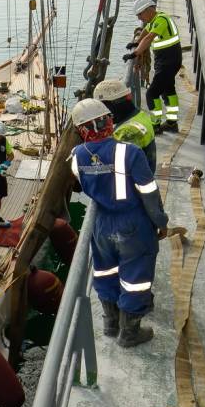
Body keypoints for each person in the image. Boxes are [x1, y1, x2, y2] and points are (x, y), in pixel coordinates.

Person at [69, 97, 167, 348]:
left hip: (101, 224)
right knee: (135, 276)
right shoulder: (130, 152)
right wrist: (160, 221)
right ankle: (130, 332)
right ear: (109, 121)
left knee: (105, 271)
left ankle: (110, 324)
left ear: (82, 130)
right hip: (132, 223)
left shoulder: (77, 157)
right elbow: (148, 192)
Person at [124, 0, 182, 133]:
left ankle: (155, 125)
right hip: (167, 60)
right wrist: (137, 42)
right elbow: (146, 30)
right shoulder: (156, 19)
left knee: (151, 94)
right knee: (169, 90)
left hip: (168, 62)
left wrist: (135, 53)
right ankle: (172, 123)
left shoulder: (161, 20)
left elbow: (150, 37)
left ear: (149, 10)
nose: (139, 18)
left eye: (140, 14)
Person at [94, 75, 157, 174]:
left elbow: (112, 169)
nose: (103, 114)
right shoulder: (140, 115)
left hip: (130, 186)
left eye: (103, 108)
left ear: (114, 104)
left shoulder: (126, 132)